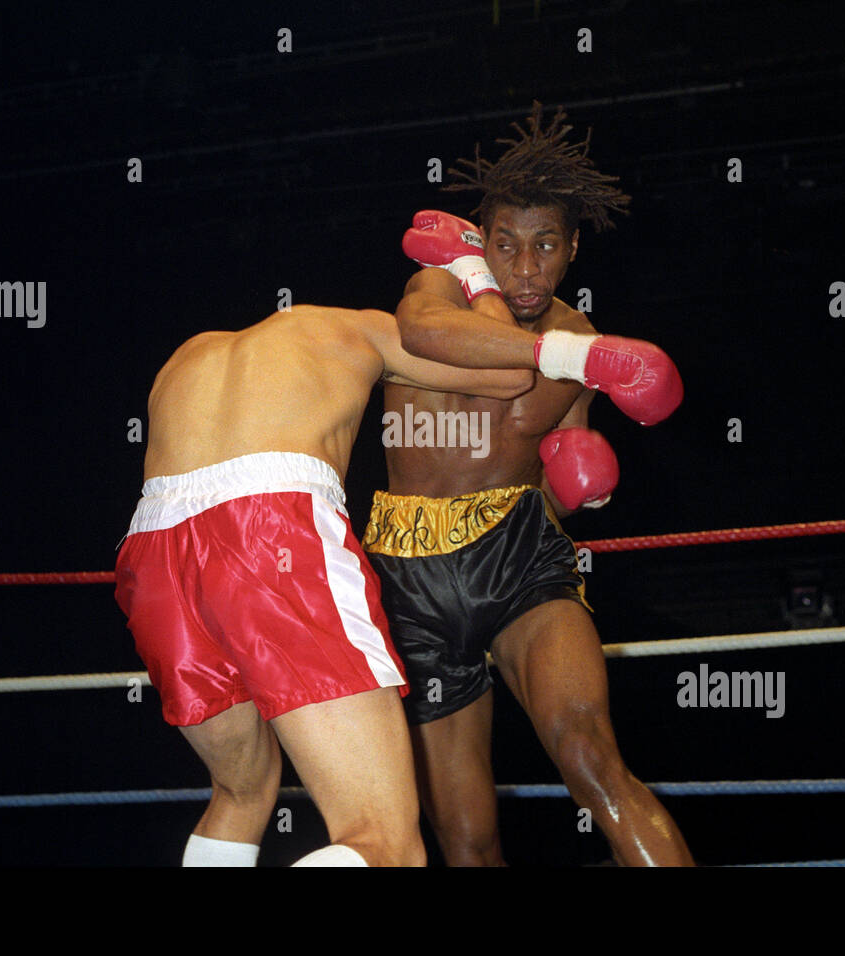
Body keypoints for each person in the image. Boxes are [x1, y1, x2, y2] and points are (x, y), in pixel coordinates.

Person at [362, 103, 695, 865]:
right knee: (469, 840)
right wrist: (469, 270)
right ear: (482, 246)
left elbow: (552, 472)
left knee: (589, 758)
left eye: (544, 246)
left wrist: (579, 487)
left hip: (522, 561)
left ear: (572, 248)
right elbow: (434, 342)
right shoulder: (438, 291)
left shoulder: (582, 340)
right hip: (409, 580)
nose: (524, 268)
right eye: (505, 247)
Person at [113, 304, 534, 867]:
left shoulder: (187, 355)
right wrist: (474, 275)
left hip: (155, 552)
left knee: (241, 792)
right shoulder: (358, 328)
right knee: (385, 843)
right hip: (271, 528)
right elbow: (511, 367)